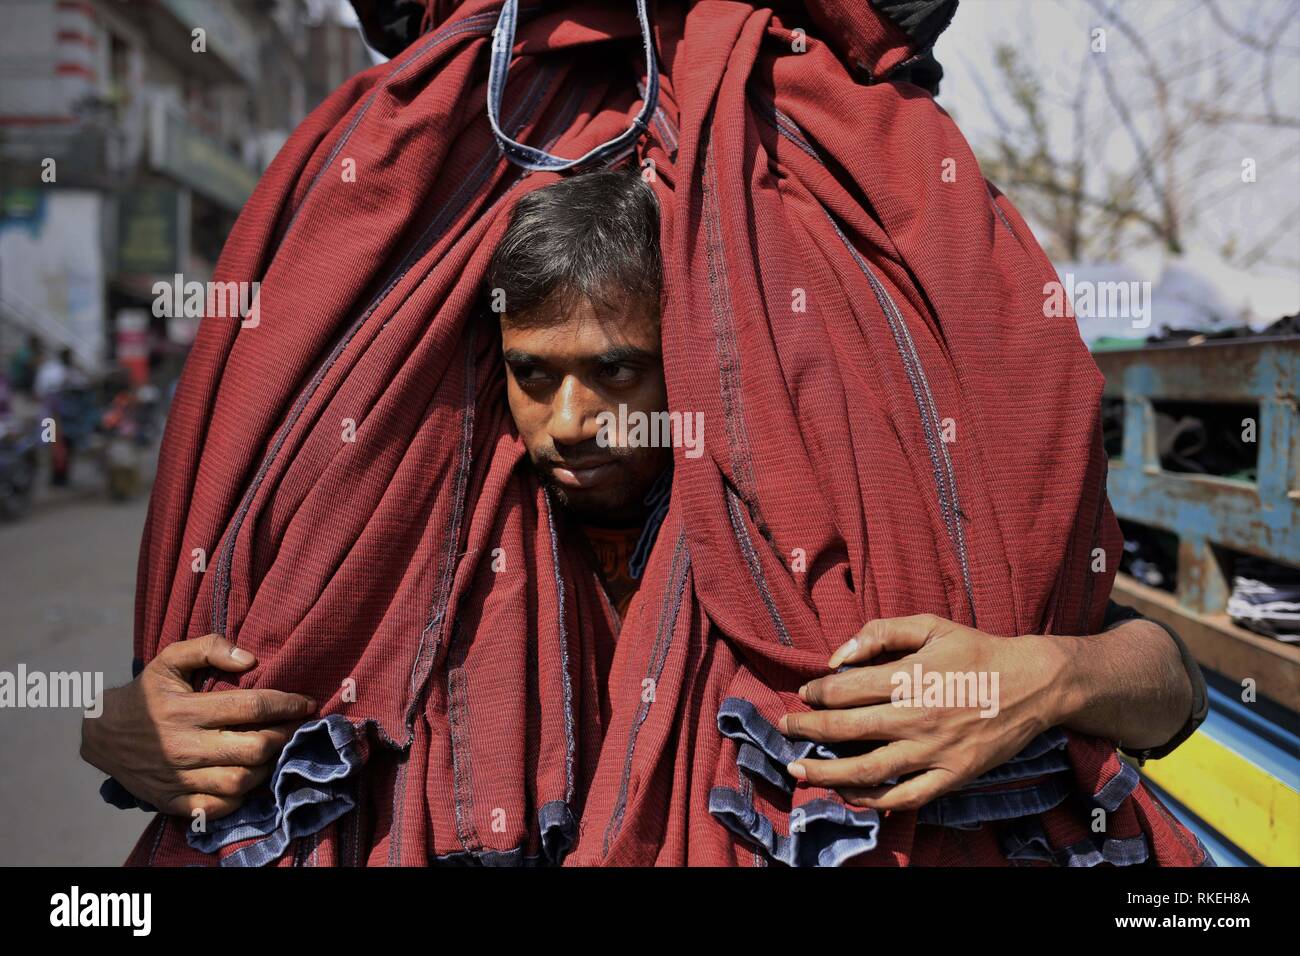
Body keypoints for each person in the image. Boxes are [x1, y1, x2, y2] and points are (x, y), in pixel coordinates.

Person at [81, 168, 1208, 858]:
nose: (572, 419)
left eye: (619, 371)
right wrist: (112, 729)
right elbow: (240, 729)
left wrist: (1045, 679)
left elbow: (1174, 684)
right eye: (533, 374)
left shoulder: (801, 544)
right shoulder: (423, 552)